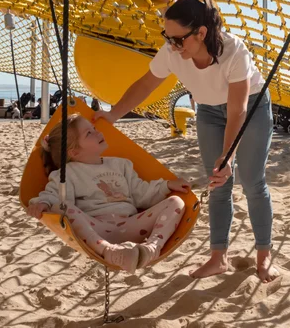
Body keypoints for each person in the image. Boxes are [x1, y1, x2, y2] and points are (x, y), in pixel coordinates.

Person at [95, 0, 279, 283]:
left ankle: (264, 255)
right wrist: (113, 115)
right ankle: (218, 259)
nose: (171, 45)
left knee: (253, 182)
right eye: (167, 37)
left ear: (201, 33)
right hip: (208, 110)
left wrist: (228, 155)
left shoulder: (234, 51)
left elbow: (238, 109)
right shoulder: (172, 52)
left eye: (178, 39)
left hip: (251, 108)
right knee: (218, 183)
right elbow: (146, 84)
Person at [26, 115, 189, 272]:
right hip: (96, 230)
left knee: (176, 202)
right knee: (61, 206)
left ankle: (152, 247)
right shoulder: (67, 173)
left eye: (94, 128)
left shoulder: (121, 165)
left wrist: (166, 186)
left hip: (132, 225)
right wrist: (42, 203)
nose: (98, 132)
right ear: (74, 152)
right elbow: (54, 195)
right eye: (89, 133)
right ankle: (107, 250)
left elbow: (141, 193)